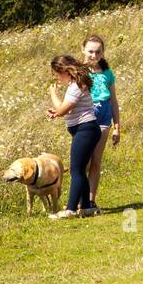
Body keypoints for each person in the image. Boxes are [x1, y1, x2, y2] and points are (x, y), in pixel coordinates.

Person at [45, 54, 100, 219]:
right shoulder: (75, 84)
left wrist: (53, 94)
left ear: (65, 71)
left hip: (86, 129)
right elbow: (66, 110)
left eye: (57, 74)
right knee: (80, 170)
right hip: (85, 130)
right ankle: (86, 206)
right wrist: (56, 111)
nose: (57, 78)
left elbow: (63, 110)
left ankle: (70, 209)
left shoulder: (76, 85)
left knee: (75, 170)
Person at [83, 34, 120, 211]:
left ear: (103, 53)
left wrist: (117, 126)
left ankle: (91, 200)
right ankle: (78, 199)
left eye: (98, 52)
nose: (94, 56)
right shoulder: (79, 72)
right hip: (85, 120)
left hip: (104, 120)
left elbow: (114, 101)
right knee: (84, 162)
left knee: (96, 161)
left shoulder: (107, 74)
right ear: (83, 50)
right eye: (90, 51)